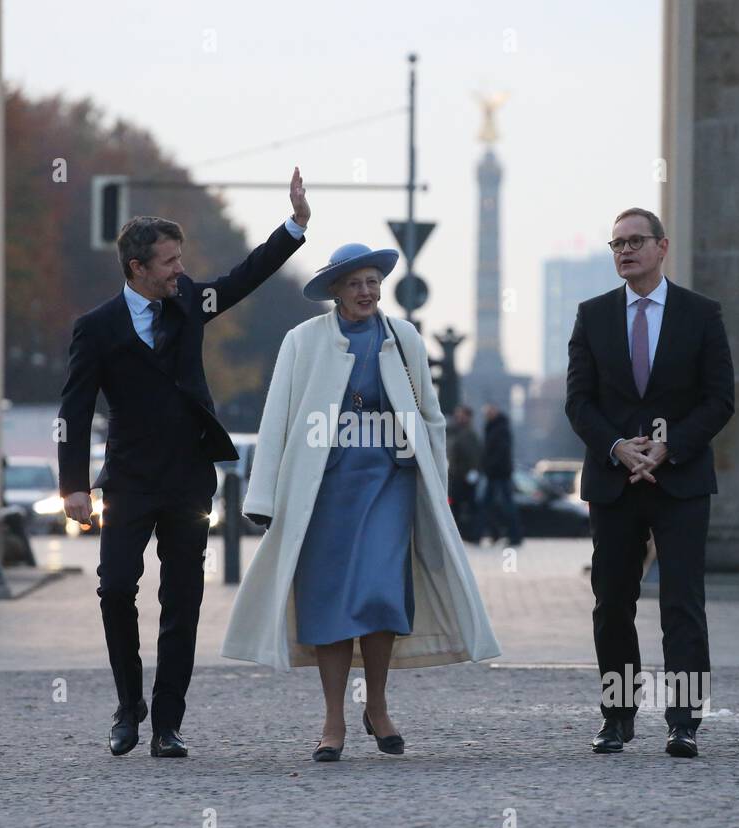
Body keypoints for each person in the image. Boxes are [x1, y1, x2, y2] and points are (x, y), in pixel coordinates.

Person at [57, 168, 311, 758]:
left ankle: (168, 723)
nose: (180, 269)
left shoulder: (192, 302)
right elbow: (72, 409)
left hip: (189, 480)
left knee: (183, 601)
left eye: (180, 258)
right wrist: (72, 487)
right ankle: (129, 706)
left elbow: (245, 277)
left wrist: (294, 227)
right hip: (127, 482)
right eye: (168, 261)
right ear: (136, 269)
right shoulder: (96, 329)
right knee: (116, 588)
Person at [222, 242, 501, 761]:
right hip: (323, 490)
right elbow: (276, 419)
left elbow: (432, 418)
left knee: (380, 597)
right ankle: (333, 721)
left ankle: (377, 705)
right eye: (355, 283)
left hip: (388, 484)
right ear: (335, 291)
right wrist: (262, 497)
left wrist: (437, 489)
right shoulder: (302, 342)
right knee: (327, 602)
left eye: (373, 281)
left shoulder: (405, 338)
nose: (367, 291)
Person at [565, 207, 735, 759]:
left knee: (682, 603)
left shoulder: (700, 314)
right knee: (612, 603)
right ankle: (617, 717)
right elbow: (579, 402)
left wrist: (671, 446)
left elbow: (720, 398)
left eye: (636, 241)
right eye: (616, 244)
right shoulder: (592, 316)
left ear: (663, 248)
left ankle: (684, 721)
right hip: (614, 482)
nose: (625, 251)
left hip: (680, 480)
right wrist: (617, 447)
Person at [480, 404, 522, 546]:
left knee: (504, 505)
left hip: (499, 472)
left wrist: (489, 465)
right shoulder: (495, 427)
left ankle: (512, 535)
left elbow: (500, 452)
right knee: (491, 504)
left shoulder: (500, 429)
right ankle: (499, 533)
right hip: (495, 472)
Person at [447, 405, 483, 539]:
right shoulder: (454, 432)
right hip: (455, 475)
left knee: (468, 506)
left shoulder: (469, 434)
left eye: (461, 414)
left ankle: (471, 534)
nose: (458, 417)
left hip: (465, 476)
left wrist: (473, 471)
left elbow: (475, 456)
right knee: (455, 506)